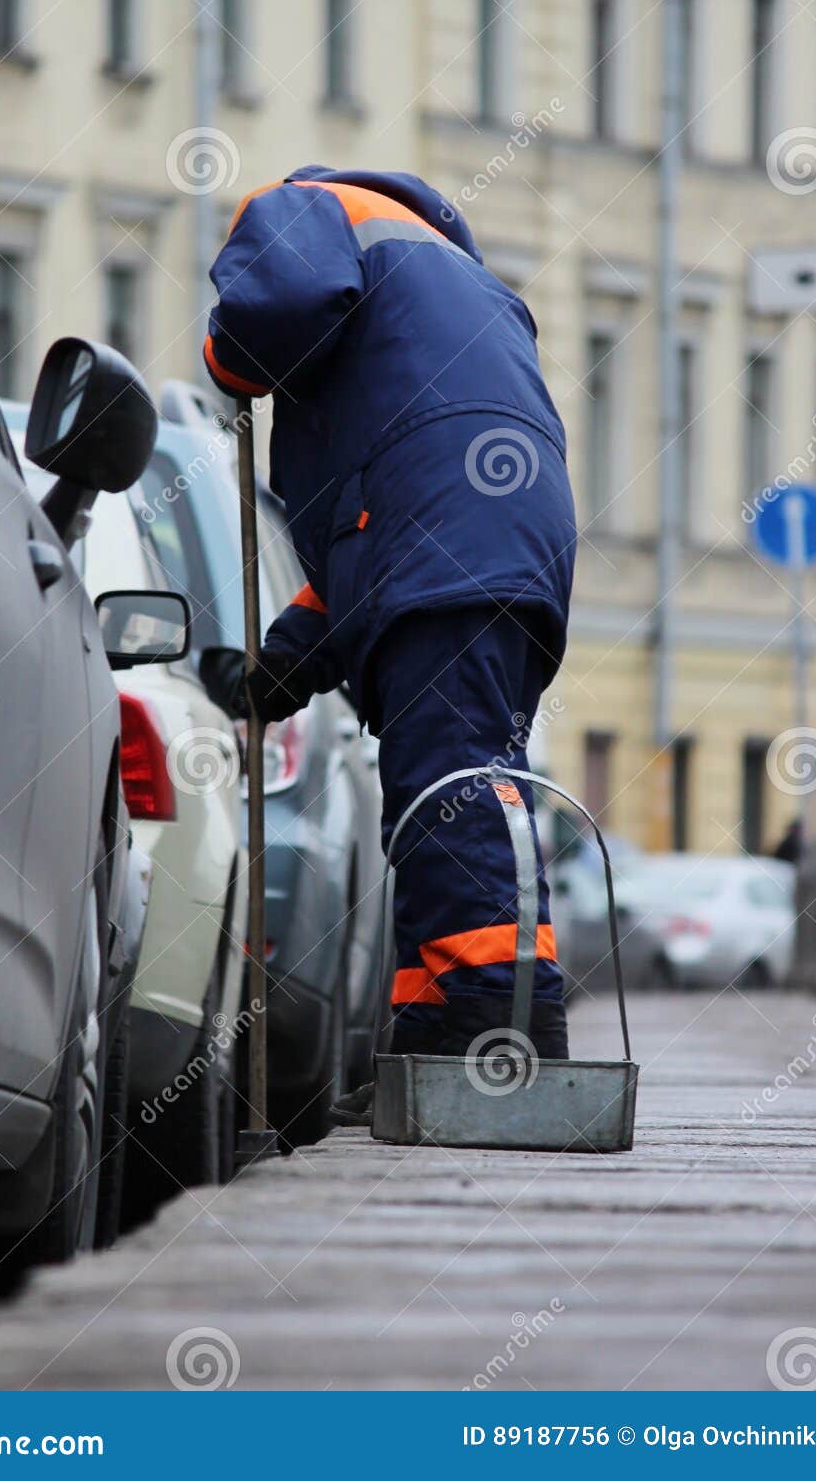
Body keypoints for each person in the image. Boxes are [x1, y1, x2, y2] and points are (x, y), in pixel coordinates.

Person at [198, 167, 577, 1108]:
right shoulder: (453, 284)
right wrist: (278, 668)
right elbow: (367, 558)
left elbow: (275, 300)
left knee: (452, 785)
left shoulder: (314, 205)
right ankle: (432, 1042)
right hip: (493, 539)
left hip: (452, 544)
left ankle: (505, 1024)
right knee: (441, 788)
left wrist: (226, 362)